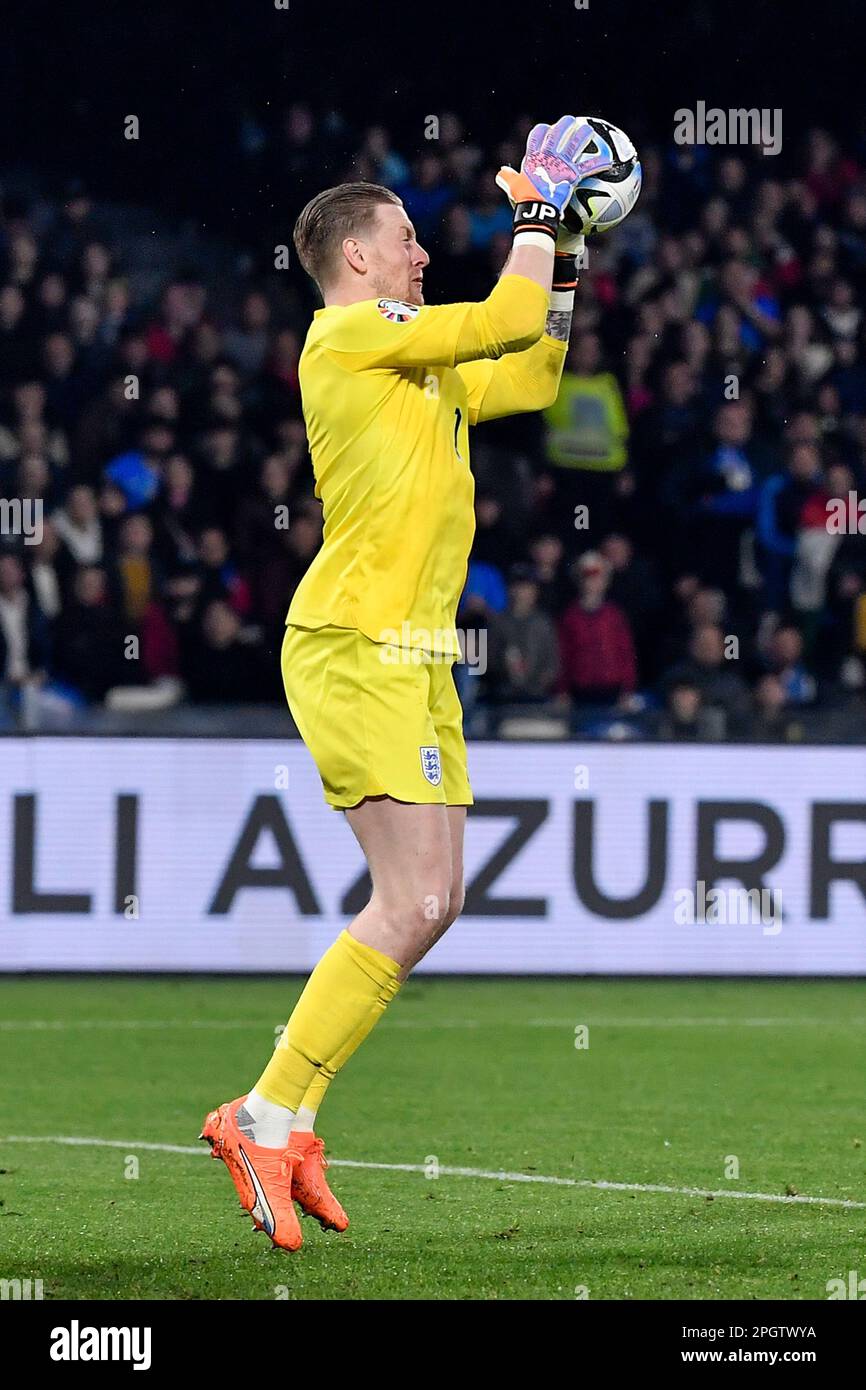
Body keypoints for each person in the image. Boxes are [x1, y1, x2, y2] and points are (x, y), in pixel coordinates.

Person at [200, 118, 615, 1250]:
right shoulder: (346, 340)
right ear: (357, 260)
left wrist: (565, 251)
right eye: (408, 240)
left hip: (416, 655)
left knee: (431, 903)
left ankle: (284, 1114)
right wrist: (537, 210)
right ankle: (263, 1112)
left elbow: (529, 369)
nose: (423, 254)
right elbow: (501, 315)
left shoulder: (415, 366)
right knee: (411, 901)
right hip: (353, 641)